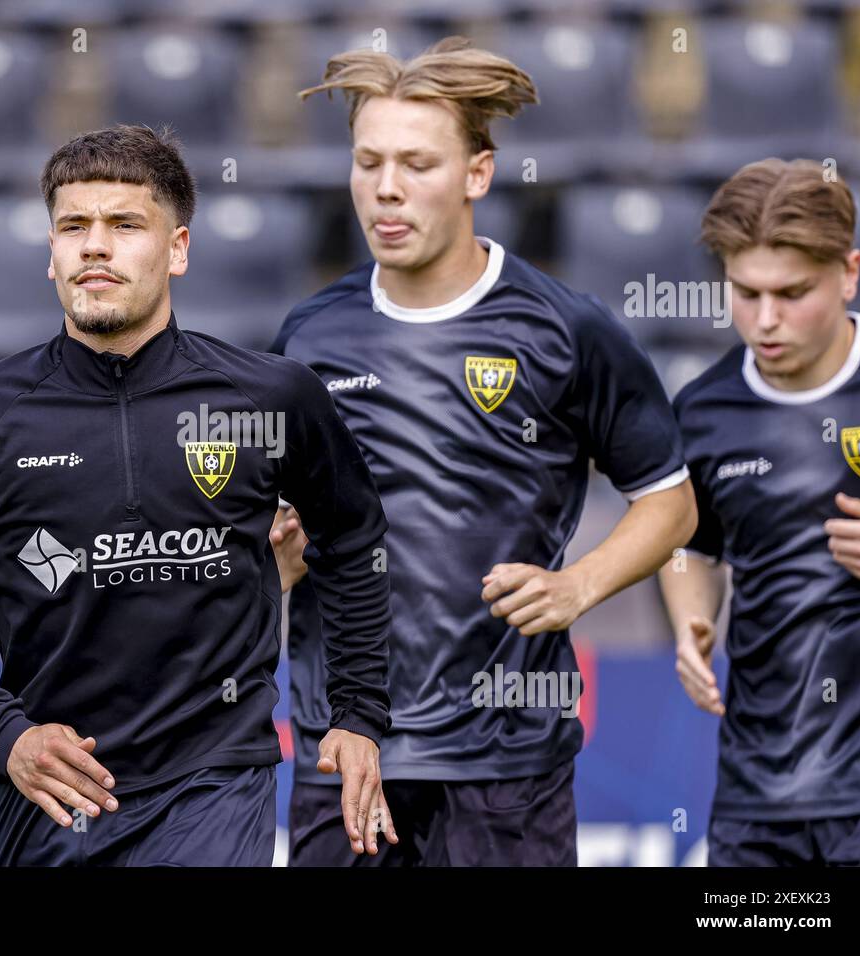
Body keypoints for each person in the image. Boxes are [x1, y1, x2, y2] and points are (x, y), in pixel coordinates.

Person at [0, 124, 396, 866]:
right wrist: (3, 734)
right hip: (50, 795)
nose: (94, 246)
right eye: (73, 226)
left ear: (177, 249)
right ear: (51, 254)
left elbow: (355, 542)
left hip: (214, 785)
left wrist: (359, 713)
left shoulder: (271, 397)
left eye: (124, 225)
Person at [271, 36, 697, 866]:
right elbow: (277, 531)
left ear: (478, 174)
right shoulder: (310, 335)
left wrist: (579, 584)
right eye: (368, 162)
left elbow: (670, 500)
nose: (386, 188)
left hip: (509, 764)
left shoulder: (566, 328)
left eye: (417, 164)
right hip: (345, 751)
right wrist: (274, 560)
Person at [659, 158, 860, 866]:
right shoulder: (704, 411)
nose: (765, 320)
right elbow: (688, 545)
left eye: (791, 293)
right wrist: (690, 622)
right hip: (758, 796)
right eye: (746, 293)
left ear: (848, 273)